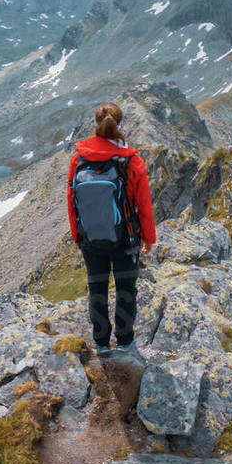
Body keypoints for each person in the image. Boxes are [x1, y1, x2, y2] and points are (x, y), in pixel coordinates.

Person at [66, 101, 156, 355]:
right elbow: (144, 205)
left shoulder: (78, 158)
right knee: (126, 288)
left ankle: (101, 343)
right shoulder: (131, 161)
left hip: (91, 239)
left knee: (97, 287)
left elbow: (72, 201)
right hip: (125, 239)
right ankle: (125, 342)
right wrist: (148, 238)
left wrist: (77, 234)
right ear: (120, 125)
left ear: (95, 125)